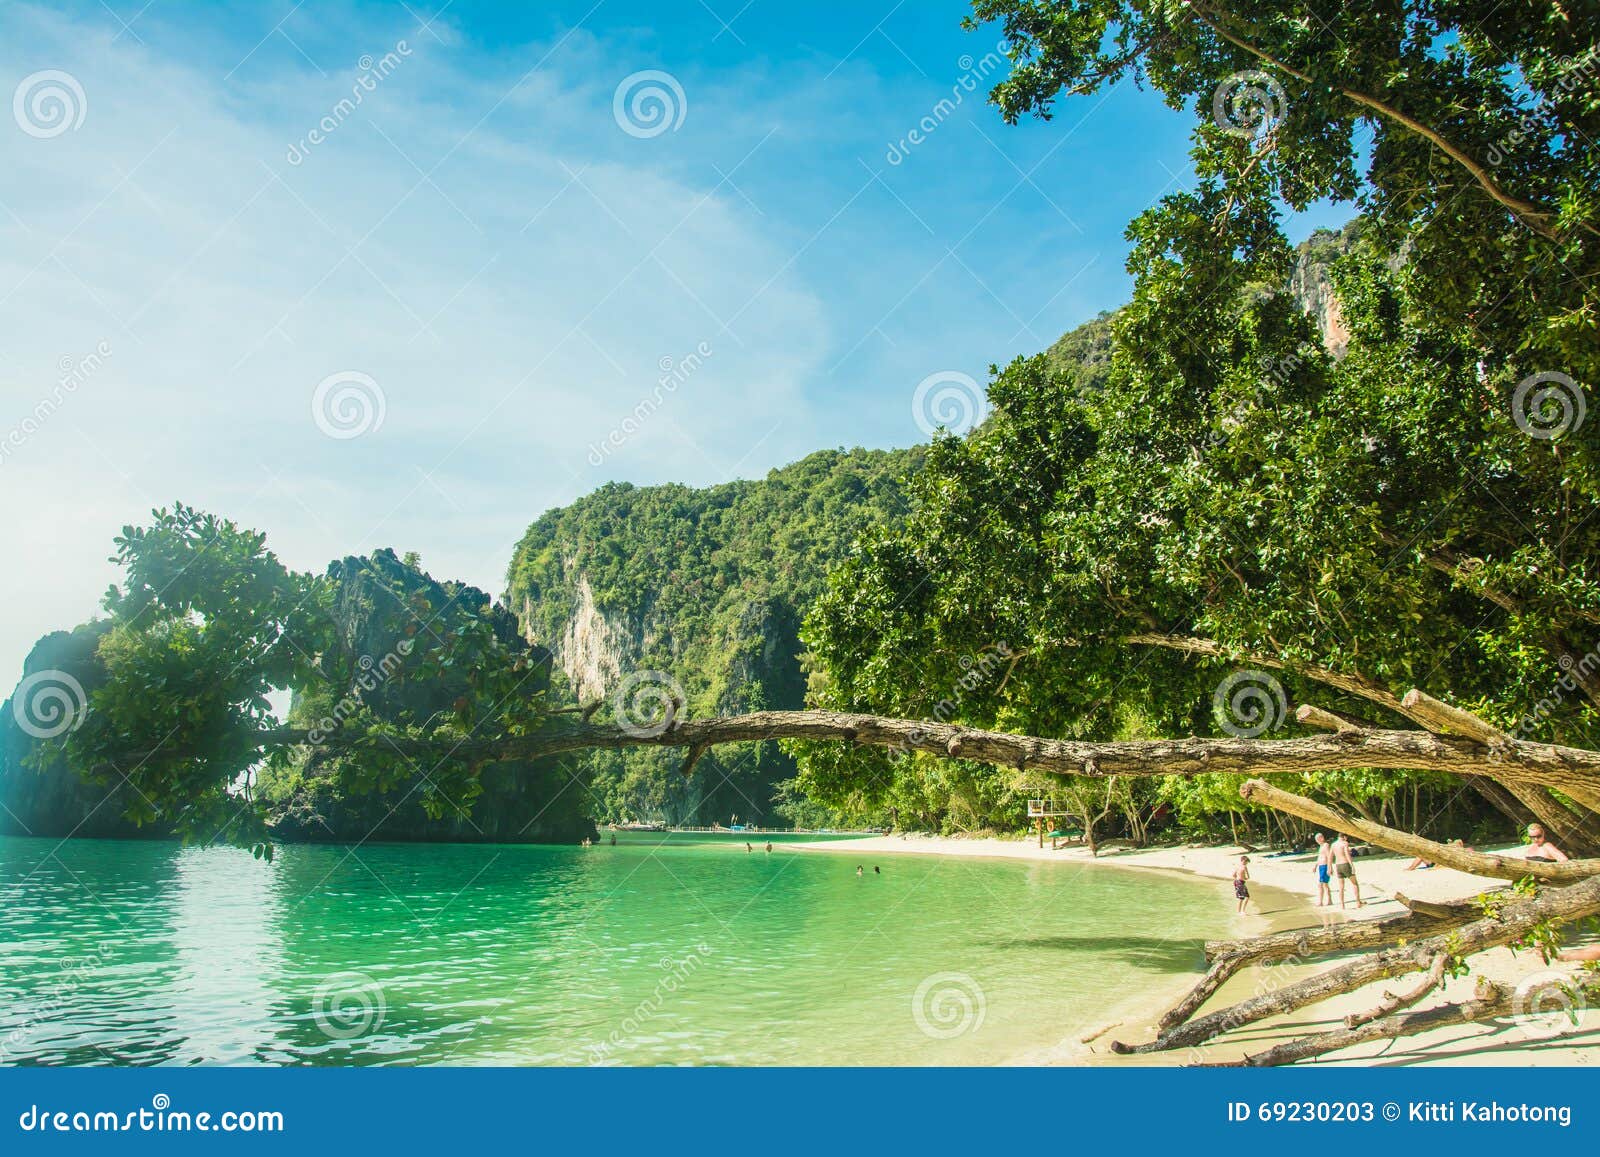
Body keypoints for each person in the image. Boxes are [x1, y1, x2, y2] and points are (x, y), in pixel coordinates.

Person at [1332, 833, 1363, 908]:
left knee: (1341, 887)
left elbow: (1330, 856)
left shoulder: (1333, 844)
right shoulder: (1345, 843)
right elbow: (1347, 854)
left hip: (1338, 865)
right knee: (1355, 883)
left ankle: (1342, 905)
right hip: (1345, 864)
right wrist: (1352, 865)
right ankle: (1358, 902)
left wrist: (1330, 867)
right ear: (1344, 837)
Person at [1313, 833, 1334, 907]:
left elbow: (1329, 856)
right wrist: (1315, 866)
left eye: (1318, 839)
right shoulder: (1321, 846)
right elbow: (1319, 857)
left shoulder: (1326, 845)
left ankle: (1321, 902)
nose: (1317, 841)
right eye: (1316, 840)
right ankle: (1330, 900)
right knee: (1325, 884)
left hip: (1325, 866)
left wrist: (1330, 867)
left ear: (1322, 838)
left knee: (1320, 884)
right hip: (1321, 866)